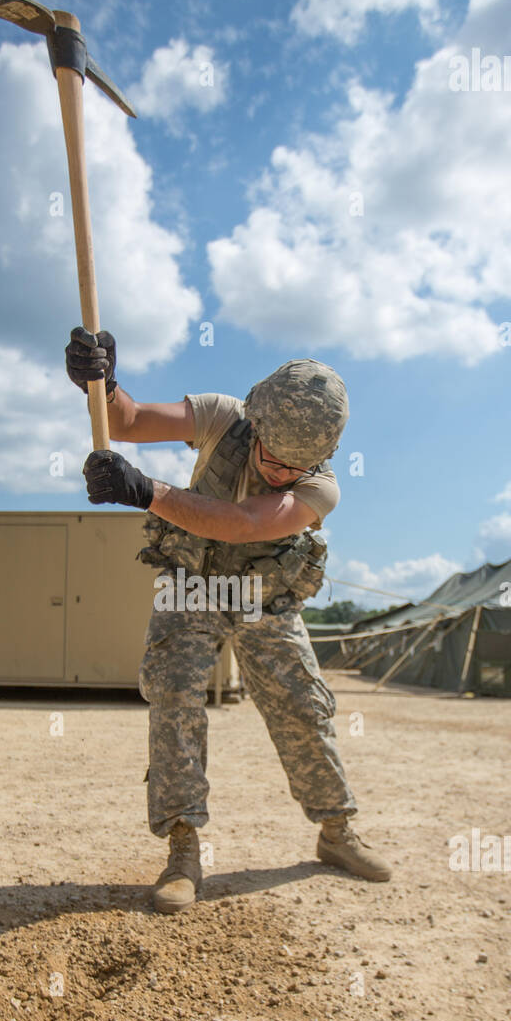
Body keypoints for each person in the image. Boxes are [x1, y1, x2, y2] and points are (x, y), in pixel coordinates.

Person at [65, 327, 394, 913]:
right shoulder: (224, 416)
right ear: (258, 427)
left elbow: (241, 523)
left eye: (296, 467)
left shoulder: (320, 487)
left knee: (302, 706)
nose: (280, 472)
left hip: (262, 599)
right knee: (175, 696)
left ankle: (337, 833)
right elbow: (130, 421)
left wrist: (144, 490)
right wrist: (103, 384)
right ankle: (183, 852)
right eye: (272, 456)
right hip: (192, 585)